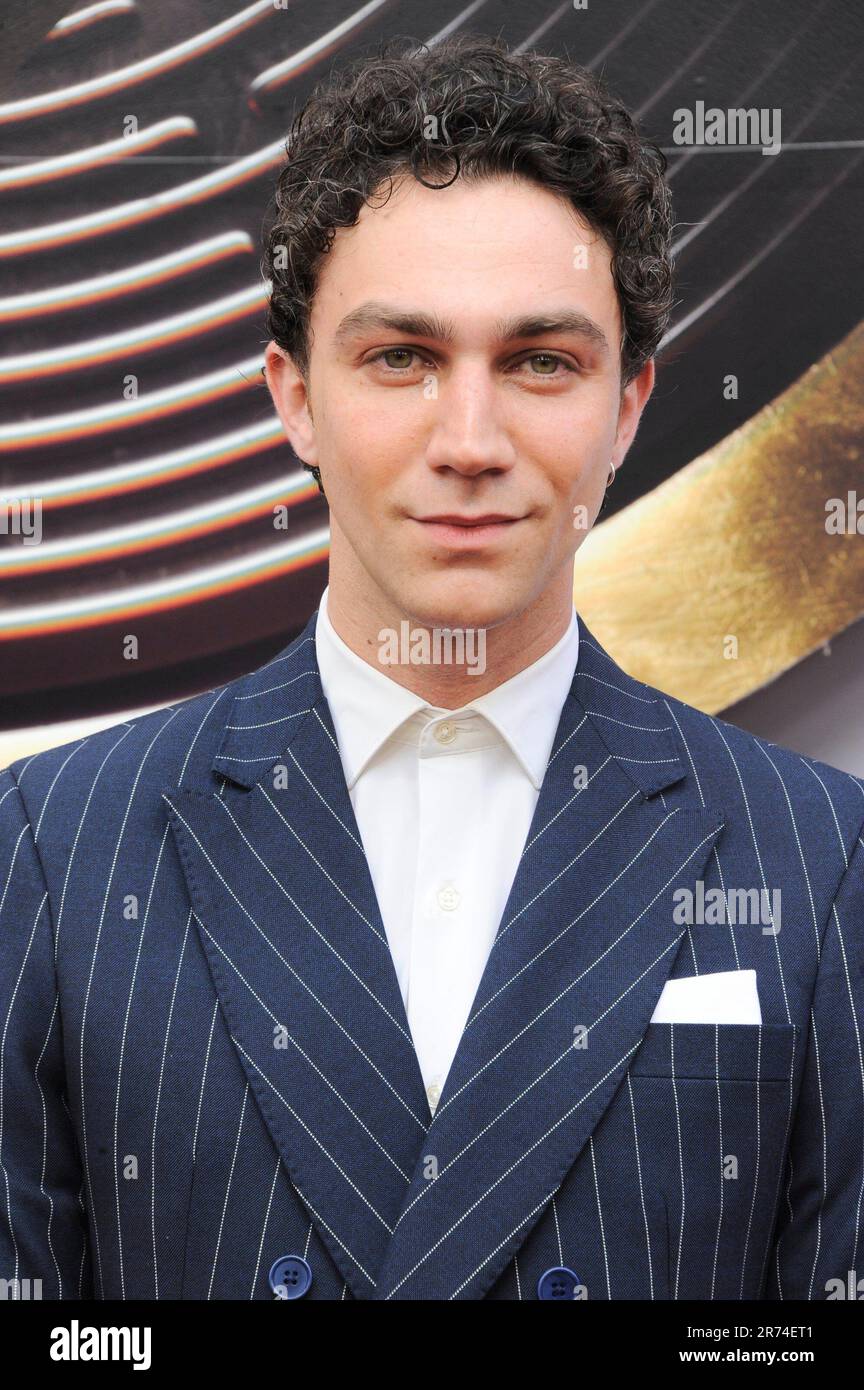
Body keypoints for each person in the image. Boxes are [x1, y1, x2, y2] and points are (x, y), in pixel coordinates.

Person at [1, 34, 862, 1303]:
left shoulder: (822, 857)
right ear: (294, 398)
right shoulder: (54, 847)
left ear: (629, 406)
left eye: (541, 362)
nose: (471, 440)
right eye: (400, 356)